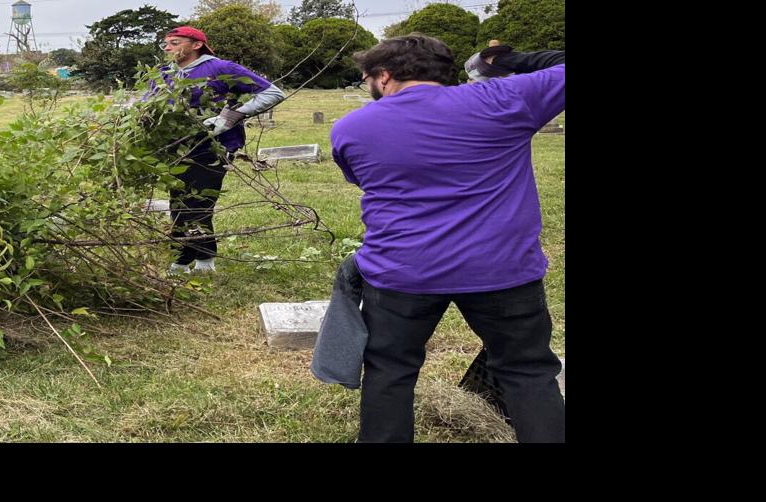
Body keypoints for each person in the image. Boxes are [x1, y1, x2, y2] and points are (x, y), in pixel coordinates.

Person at [328, 34, 564, 442]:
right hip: (503, 269)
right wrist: (512, 60)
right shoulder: (506, 99)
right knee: (527, 372)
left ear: (384, 77)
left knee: (390, 372)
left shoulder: (351, 128)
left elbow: (361, 177)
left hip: (401, 270)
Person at [154, 25, 283, 274]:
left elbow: (272, 93)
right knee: (178, 200)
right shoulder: (164, 73)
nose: (168, 48)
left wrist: (232, 115)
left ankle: (202, 260)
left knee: (199, 199)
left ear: (196, 44)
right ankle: (183, 258)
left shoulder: (220, 68)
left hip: (212, 145)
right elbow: (149, 102)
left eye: (174, 42)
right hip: (175, 146)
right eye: (165, 44)